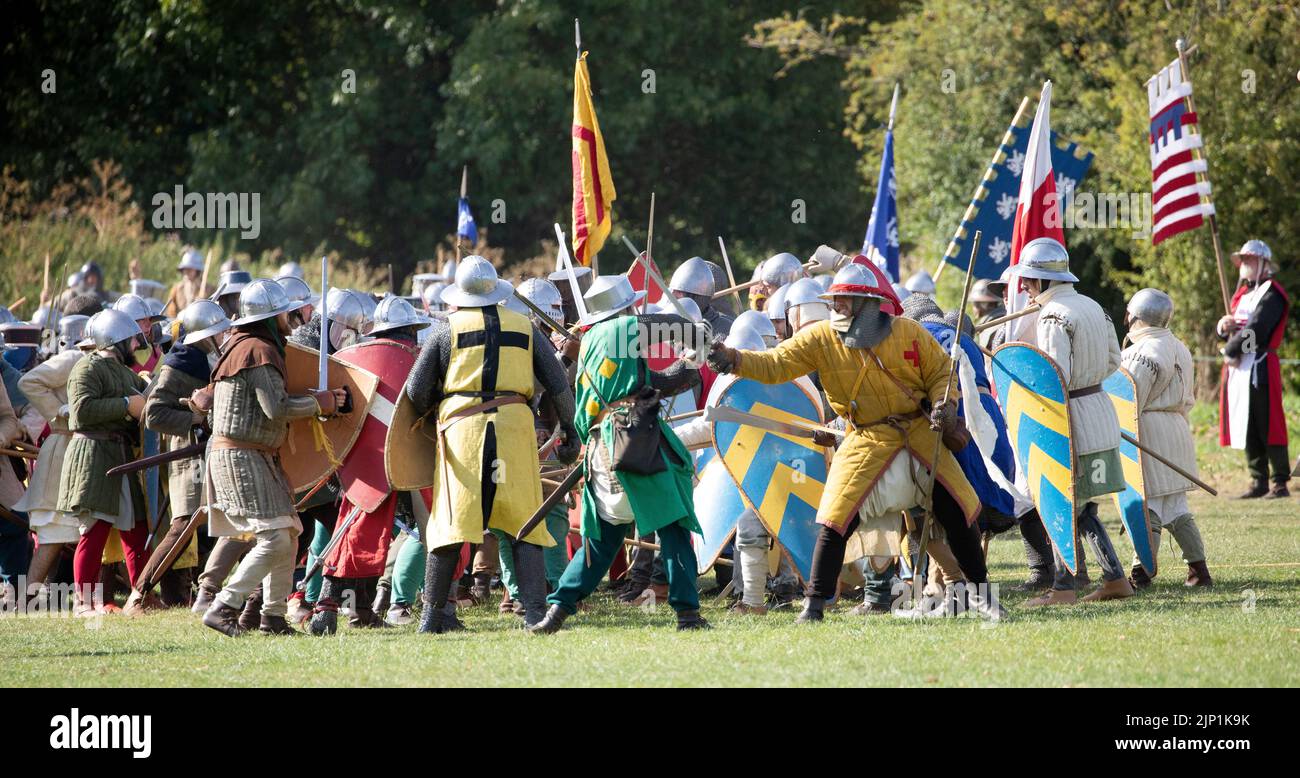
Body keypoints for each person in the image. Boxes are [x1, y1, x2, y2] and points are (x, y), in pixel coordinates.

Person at [707, 247, 1001, 622]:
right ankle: (814, 606)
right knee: (834, 521)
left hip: (919, 434)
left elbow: (942, 374)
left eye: (844, 302)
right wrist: (735, 359)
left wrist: (947, 405)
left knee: (960, 513)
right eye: (836, 302)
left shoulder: (909, 333)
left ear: (867, 303)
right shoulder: (822, 340)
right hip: (866, 440)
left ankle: (983, 596)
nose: (837, 309)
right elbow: (777, 364)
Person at [404, 257, 579, 633]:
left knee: (453, 522)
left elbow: (416, 390)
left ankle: (434, 617)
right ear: (496, 292)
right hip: (515, 432)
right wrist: (569, 429)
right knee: (524, 523)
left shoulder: (444, 329)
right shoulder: (526, 327)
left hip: (463, 433)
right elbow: (559, 385)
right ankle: (534, 613)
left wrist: (441, 408)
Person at [529, 274, 711, 634]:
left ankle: (557, 611)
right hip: (633, 443)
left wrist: (688, 368)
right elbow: (674, 325)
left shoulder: (593, 342)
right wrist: (699, 333)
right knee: (674, 526)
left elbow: (652, 384)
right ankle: (688, 614)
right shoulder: (627, 328)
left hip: (600, 449)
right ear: (625, 308)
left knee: (601, 543)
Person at [196, 280, 347, 636]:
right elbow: (275, 408)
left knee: (291, 534)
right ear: (270, 316)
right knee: (275, 539)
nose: (289, 319)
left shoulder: (247, 345)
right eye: (283, 313)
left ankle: (273, 617)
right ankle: (223, 605)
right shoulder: (257, 350)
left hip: (256, 452)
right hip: (241, 455)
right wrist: (321, 402)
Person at [1010, 238, 1134, 606]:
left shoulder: (1052, 317)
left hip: (1070, 418)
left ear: (1047, 281)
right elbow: (1114, 360)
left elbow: (1054, 375)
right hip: (1099, 408)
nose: (1026, 289)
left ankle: (1063, 587)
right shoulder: (1094, 306)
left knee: (1060, 501)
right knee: (1083, 506)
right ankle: (1114, 579)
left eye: (1031, 281)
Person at [309, 295, 430, 635]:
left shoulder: (356, 363)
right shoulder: (410, 360)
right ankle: (439, 609)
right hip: (405, 460)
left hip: (368, 463)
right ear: (407, 331)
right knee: (433, 530)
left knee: (353, 534)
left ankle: (352, 609)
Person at [125, 300, 232, 614]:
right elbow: (154, 413)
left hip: (206, 452)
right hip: (186, 454)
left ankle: (207, 594)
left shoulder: (203, 357)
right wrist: (196, 415)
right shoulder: (183, 360)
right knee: (183, 527)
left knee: (222, 525)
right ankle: (139, 595)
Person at [56, 309, 150, 614]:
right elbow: (81, 411)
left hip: (120, 456)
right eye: (132, 339)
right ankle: (84, 603)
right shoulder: (86, 368)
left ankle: (141, 597)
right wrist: (125, 404)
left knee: (136, 531)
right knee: (93, 532)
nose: (137, 345)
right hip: (93, 458)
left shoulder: (126, 374)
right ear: (116, 340)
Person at [1122, 289, 1212, 587]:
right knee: (1176, 506)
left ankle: (1140, 573)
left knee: (1148, 503)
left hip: (1149, 430)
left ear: (1137, 318)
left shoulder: (1141, 353)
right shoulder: (1179, 347)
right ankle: (1199, 571)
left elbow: (1129, 400)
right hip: (1177, 427)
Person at [14, 315, 91, 603]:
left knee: (88, 530)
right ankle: (27, 598)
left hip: (85, 449)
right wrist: (61, 410)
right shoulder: (71, 358)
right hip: (63, 451)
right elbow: (29, 382)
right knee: (54, 531)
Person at [1217, 240, 1290, 499]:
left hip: (1260, 363)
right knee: (1245, 422)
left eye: (1250, 260)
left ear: (1263, 263)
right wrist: (1223, 328)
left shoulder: (1272, 293)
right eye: (1243, 260)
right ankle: (1257, 479)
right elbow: (1233, 326)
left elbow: (1258, 329)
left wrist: (1232, 349)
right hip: (1240, 368)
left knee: (1268, 421)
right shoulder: (1241, 295)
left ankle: (1279, 481)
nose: (1245, 264)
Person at [669, 256, 734, 337]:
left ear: (697, 297)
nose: (673, 297)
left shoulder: (729, 330)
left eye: (679, 293)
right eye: (672, 292)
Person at [164, 249, 212, 318]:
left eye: (189, 269)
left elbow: (213, 311)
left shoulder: (209, 289)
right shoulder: (176, 289)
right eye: (184, 269)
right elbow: (171, 312)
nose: (186, 272)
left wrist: (203, 303)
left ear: (197, 271)